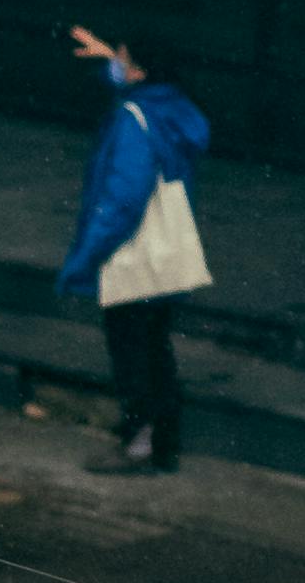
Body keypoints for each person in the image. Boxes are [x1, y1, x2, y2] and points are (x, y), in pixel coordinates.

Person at [56, 24, 210, 475]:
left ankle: (139, 440)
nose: (117, 64)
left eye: (123, 58)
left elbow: (123, 198)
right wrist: (112, 60)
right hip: (161, 259)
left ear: (140, 70)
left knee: (130, 350)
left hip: (131, 255)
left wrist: (85, 257)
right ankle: (163, 442)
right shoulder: (172, 107)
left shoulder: (132, 118)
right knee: (156, 347)